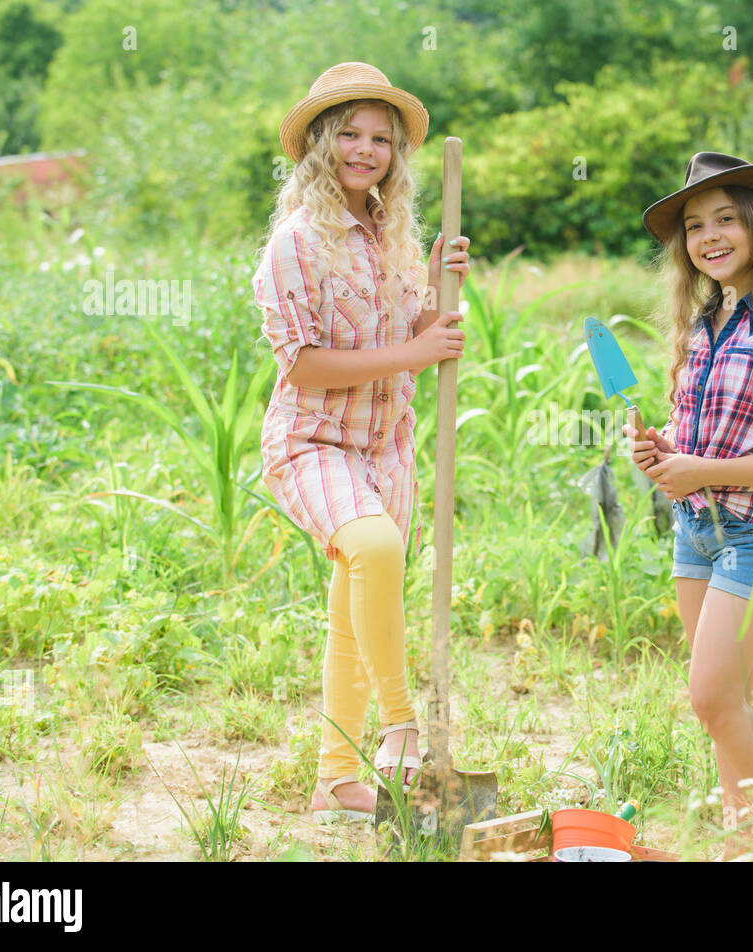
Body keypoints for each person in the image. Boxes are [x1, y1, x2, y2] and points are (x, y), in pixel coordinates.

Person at [253, 62, 471, 822]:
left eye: (380, 137)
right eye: (349, 132)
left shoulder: (391, 236)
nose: (366, 148)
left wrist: (443, 289)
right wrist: (414, 354)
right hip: (313, 441)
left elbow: (417, 335)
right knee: (375, 548)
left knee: (356, 605)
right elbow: (305, 365)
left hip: (386, 446)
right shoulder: (296, 243)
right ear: (320, 141)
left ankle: (335, 780)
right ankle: (403, 724)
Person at [625, 152, 753, 858]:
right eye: (694, 225)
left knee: (712, 699)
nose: (708, 236)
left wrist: (702, 468)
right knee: (730, 708)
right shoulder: (701, 325)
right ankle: (748, 843)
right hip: (698, 532)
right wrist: (663, 454)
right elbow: (700, 438)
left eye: (725, 218)